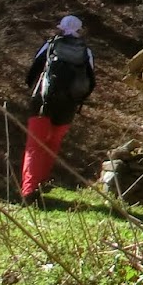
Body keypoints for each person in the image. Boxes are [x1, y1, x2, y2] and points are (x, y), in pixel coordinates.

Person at [21, 14, 96, 200]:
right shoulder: (86, 52)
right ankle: (41, 184)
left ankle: (29, 191)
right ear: (79, 29)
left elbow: (32, 73)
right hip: (68, 106)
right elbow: (91, 82)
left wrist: (34, 91)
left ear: (61, 28)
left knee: (34, 146)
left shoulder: (52, 45)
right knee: (52, 145)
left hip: (43, 102)